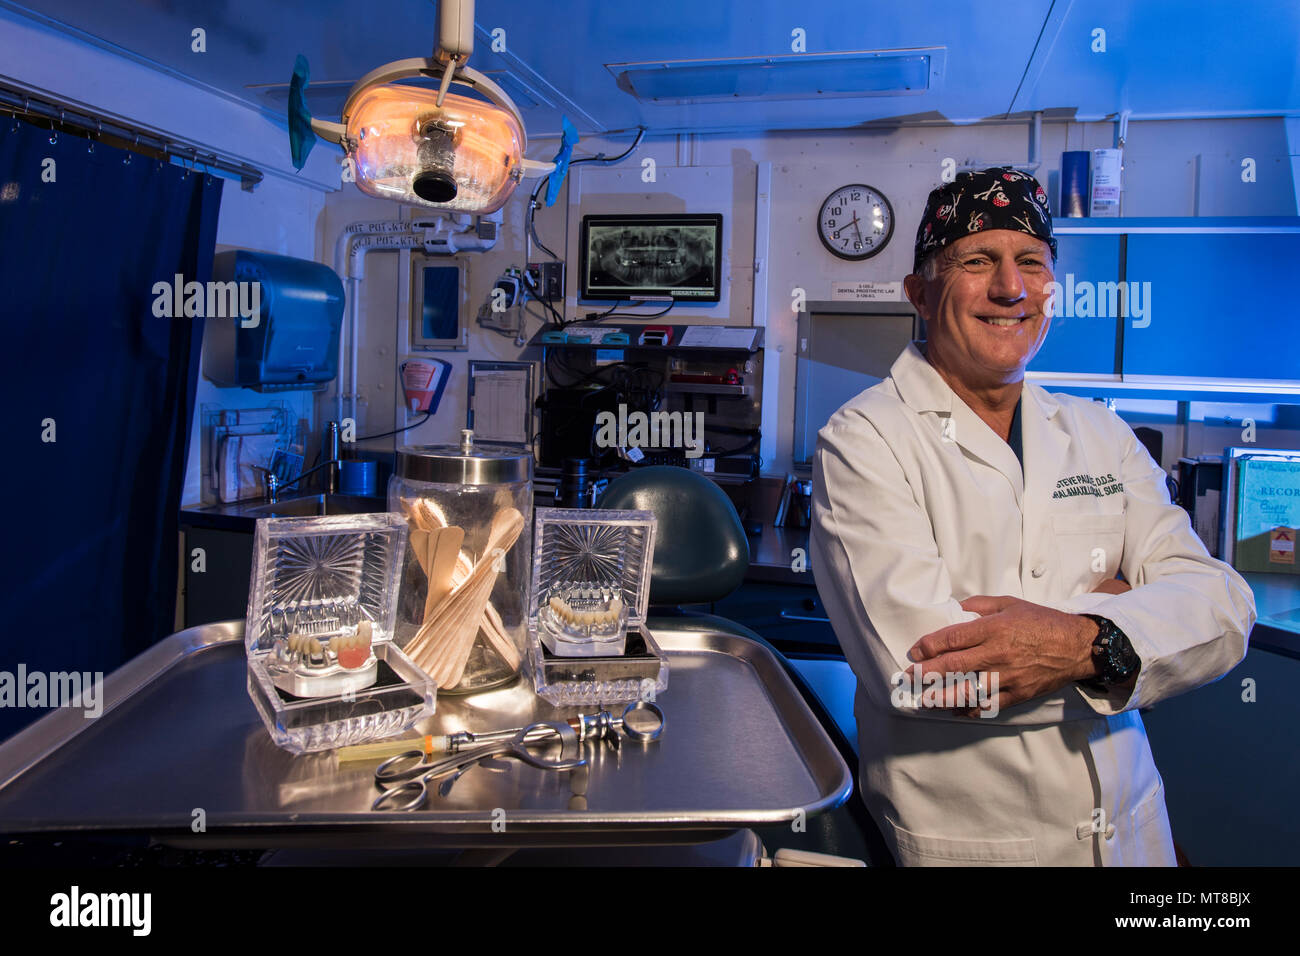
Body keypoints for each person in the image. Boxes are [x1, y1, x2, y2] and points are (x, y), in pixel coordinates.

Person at [809, 167, 1256, 866]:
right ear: (920, 295)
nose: (1009, 288)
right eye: (977, 261)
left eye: (1031, 264)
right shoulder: (865, 439)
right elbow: (921, 673)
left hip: (1134, 842)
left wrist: (1085, 642)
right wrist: (1127, 615)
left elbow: (1224, 609)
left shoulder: (1099, 431)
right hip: (978, 848)